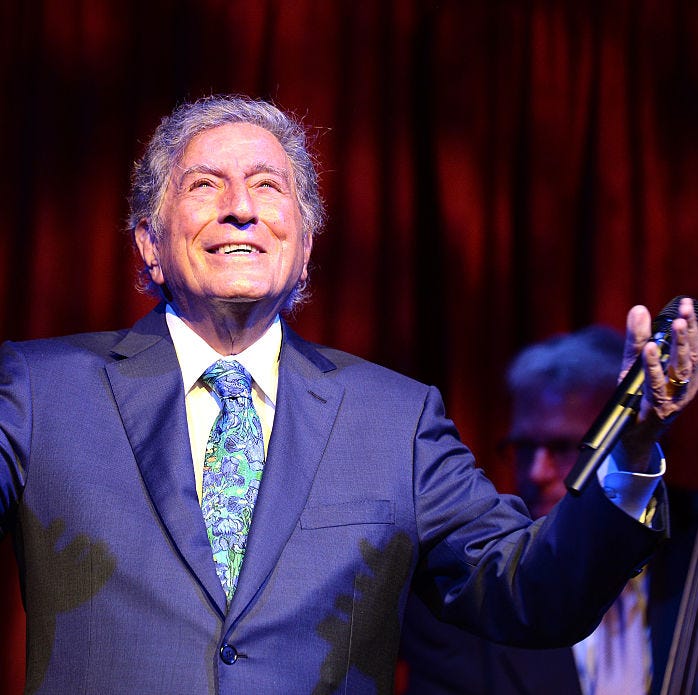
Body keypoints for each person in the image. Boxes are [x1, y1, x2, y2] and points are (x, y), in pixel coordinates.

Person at [0, 94, 696, 695]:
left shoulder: (395, 419)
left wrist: (631, 445)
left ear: (303, 248)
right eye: (204, 185)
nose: (240, 207)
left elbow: (532, 592)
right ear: (149, 243)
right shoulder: (41, 392)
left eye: (268, 187)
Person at [399, 326, 698, 695]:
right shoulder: (461, 587)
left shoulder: (691, 543)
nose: (536, 472)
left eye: (563, 447)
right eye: (524, 448)